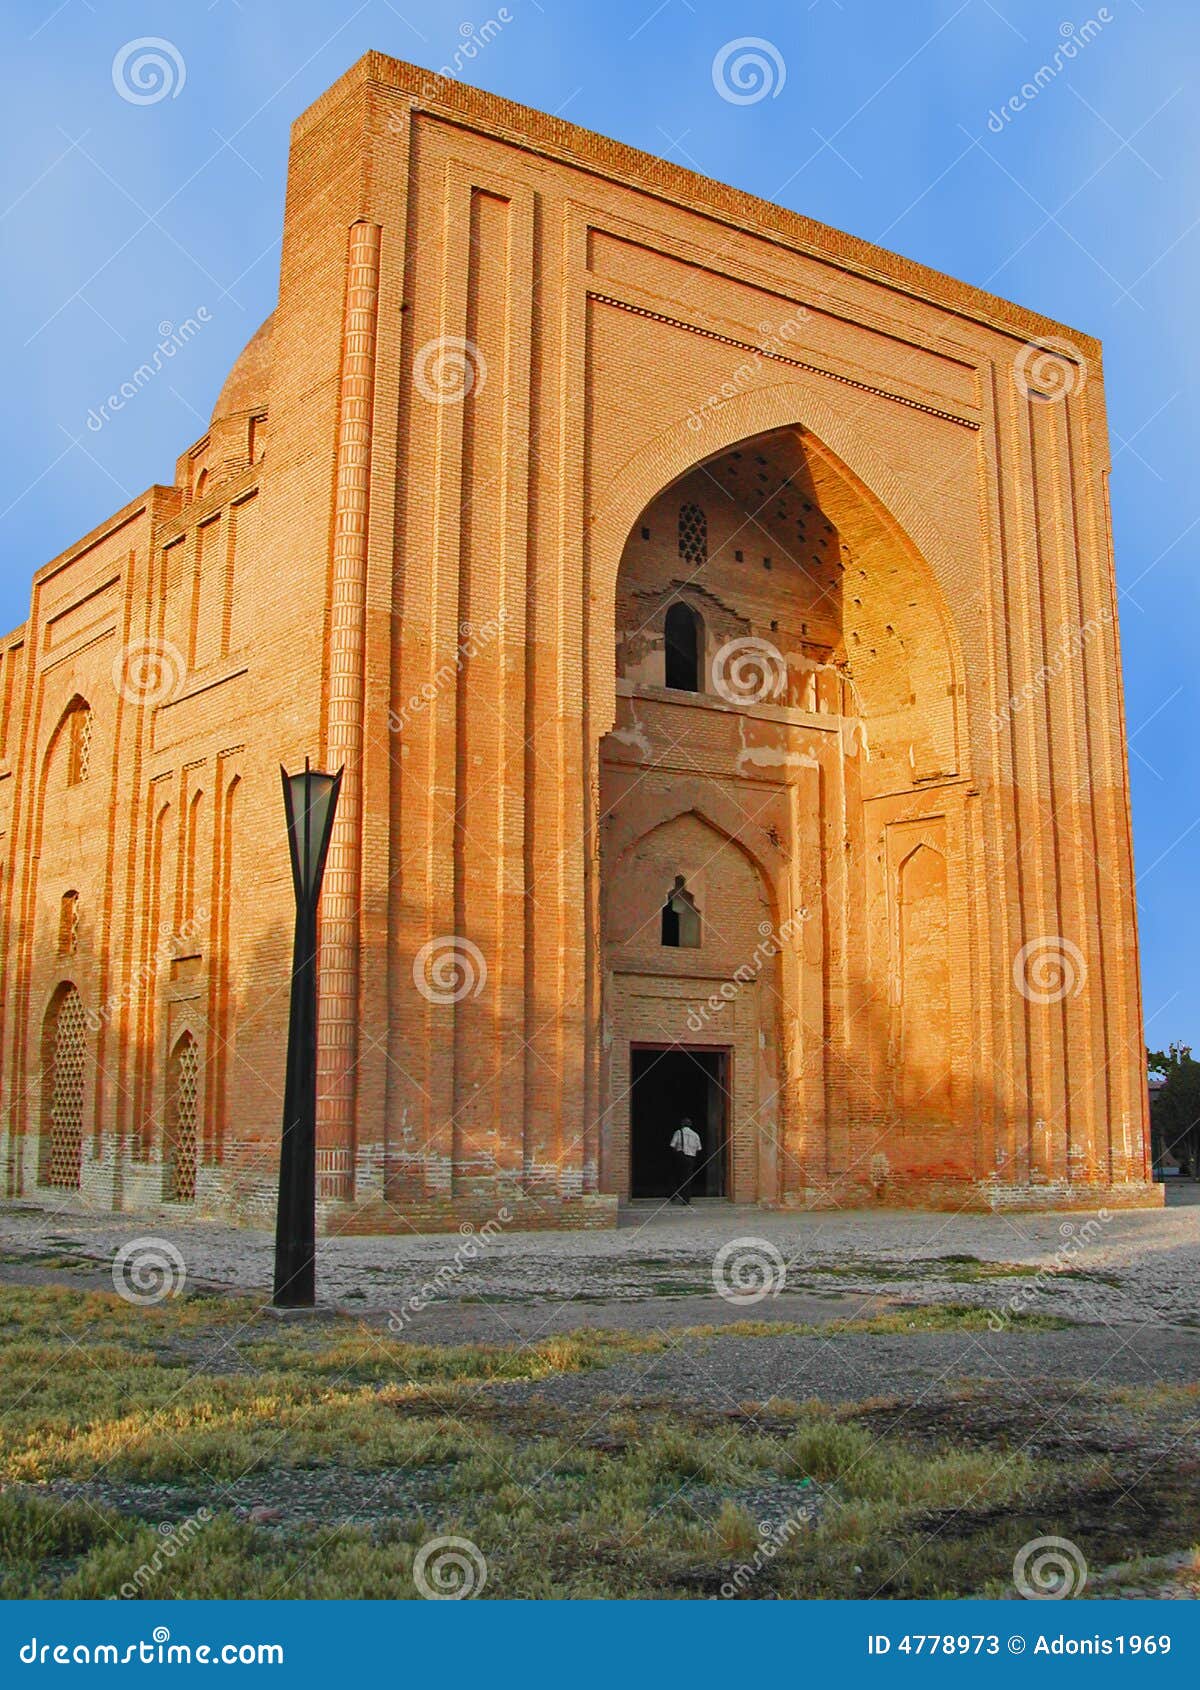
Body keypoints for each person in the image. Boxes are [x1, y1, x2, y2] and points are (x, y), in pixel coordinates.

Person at [669, 1116, 702, 1205]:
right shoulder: (695, 1134)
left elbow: (672, 1145)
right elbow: (699, 1148)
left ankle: (674, 1195)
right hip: (691, 1158)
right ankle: (686, 1199)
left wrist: (677, 1155)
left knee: (675, 1175)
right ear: (690, 1125)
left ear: (682, 1124)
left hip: (680, 1156)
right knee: (687, 1178)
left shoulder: (678, 1132)